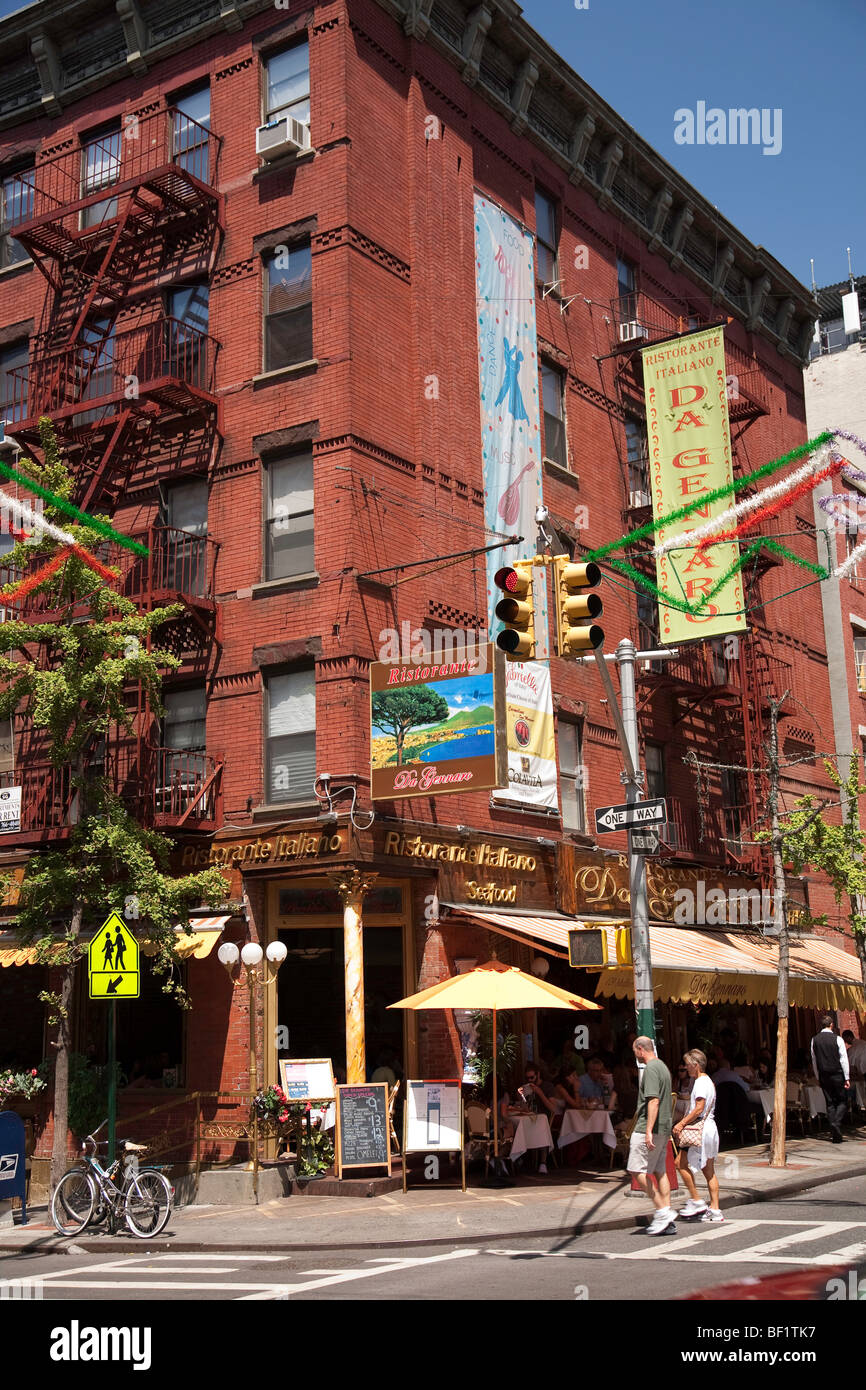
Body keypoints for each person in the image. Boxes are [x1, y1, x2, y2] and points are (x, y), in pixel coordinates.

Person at [626, 1037, 675, 1237]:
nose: (635, 1056)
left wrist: (647, 1130)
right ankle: (666, 1213)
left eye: (635, 1051)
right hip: (663, 1127)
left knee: (636, 1170)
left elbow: (653, 1101)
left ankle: (663, 1211)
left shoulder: (652, 1069)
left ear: (640, 1049)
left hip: (650, 1126)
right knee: (658, 1170)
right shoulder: (662, 1067)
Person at [672, 1049, 723, 1224]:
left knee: (679, 1163)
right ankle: (715, 1209)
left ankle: (696, 1199)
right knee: (709, 1170)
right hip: (709, 1128)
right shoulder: (709, 1081)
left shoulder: (700, 1082)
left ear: (695, 1065)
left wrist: (681, 1123)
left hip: (699, 1129)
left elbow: (698, 1108)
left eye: (687, 1065)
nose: (686, 1068)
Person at [811, 1014, 850, 1142]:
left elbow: (814, 1060)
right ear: (832, 1024)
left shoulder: (814, 1040)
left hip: (823, 1075)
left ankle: (836, 1135)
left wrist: (817, 1076)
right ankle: (836, 1123)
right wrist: (847, 1077)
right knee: (843, 1101)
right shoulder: (837, 1039)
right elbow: (843, 1059)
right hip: (837, 1073)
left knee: (830, 1102)